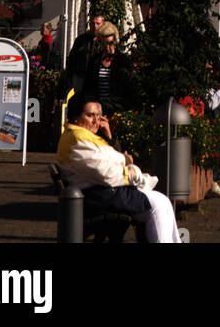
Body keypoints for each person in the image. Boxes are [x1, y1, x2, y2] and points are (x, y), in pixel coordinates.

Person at [56, 94, 181, 243]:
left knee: (162, 201)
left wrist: (119, 154)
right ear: (76, 117)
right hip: (100, 197)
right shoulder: (78, 140)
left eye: (98, 115)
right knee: (158, 205)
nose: (96, 121)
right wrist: (131, 173)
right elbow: (106, 173)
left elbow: (108, 160)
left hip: (101, 194)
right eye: (90, 115)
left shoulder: (80, 136)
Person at [79, 22, 133, 116]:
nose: (107, 47)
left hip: (117, 111)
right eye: (104, 44)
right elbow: (87, 88)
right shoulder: (94, 61)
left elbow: (128, 89)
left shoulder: (123, 61)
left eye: (110, 43)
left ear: (115, 42)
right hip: (97, 111)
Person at [65, 12, 104, 94]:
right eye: (93, 23)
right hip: (81, 78)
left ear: (102, 24)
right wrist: (72, 76)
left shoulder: (105, 41)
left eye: (98, 23)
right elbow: (72, 58)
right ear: (89, 24)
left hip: (97, 79)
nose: (95, 26)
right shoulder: (81, 40)